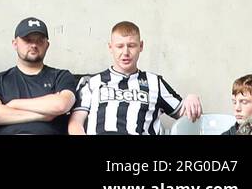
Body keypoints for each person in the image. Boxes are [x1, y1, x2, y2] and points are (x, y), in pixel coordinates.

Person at [70, 21, 201, 135]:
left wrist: (191, 99)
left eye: (131, 45)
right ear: (111, 47)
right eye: (119, 46)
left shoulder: (155, 83)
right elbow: (75, 124)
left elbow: (187, 115)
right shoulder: (92, 83)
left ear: (141, 46)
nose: (125, 52)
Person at [0, 17, 79, 134]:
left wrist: (14, 104)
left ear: (47, 45)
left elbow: (61, 105)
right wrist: (44, 115)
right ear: (15, 44)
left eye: (39, 40)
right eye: (27, 40)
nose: (34, 45)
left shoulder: (61, 76)